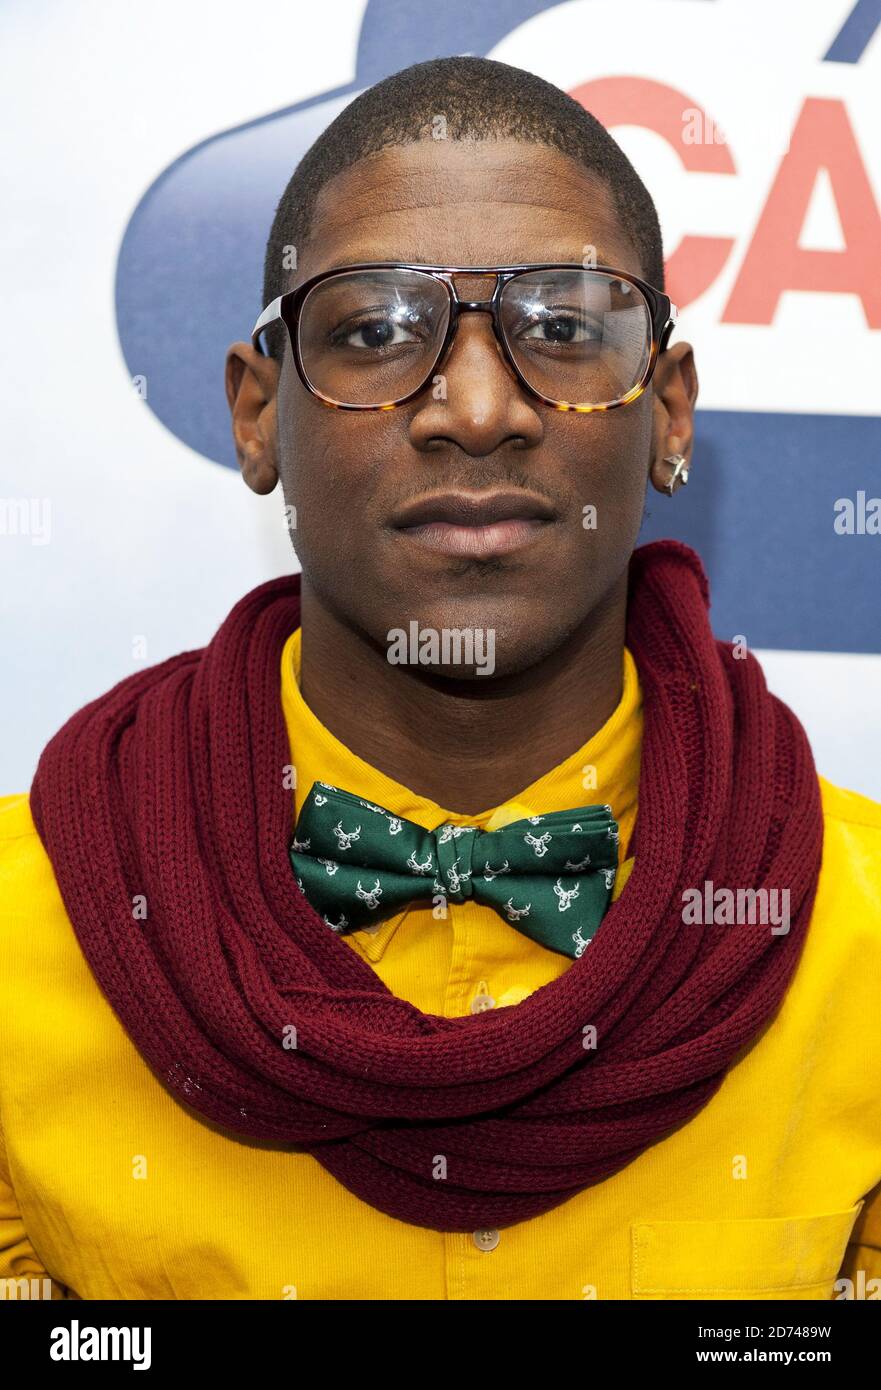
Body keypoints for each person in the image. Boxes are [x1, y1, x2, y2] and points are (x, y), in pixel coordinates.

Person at [2, 56, 880, 1303]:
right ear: (257, 418)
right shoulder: (28, 928)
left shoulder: (857, 940)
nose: (475, 409)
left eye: (565, 328)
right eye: (374, 331)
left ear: (669, 414)